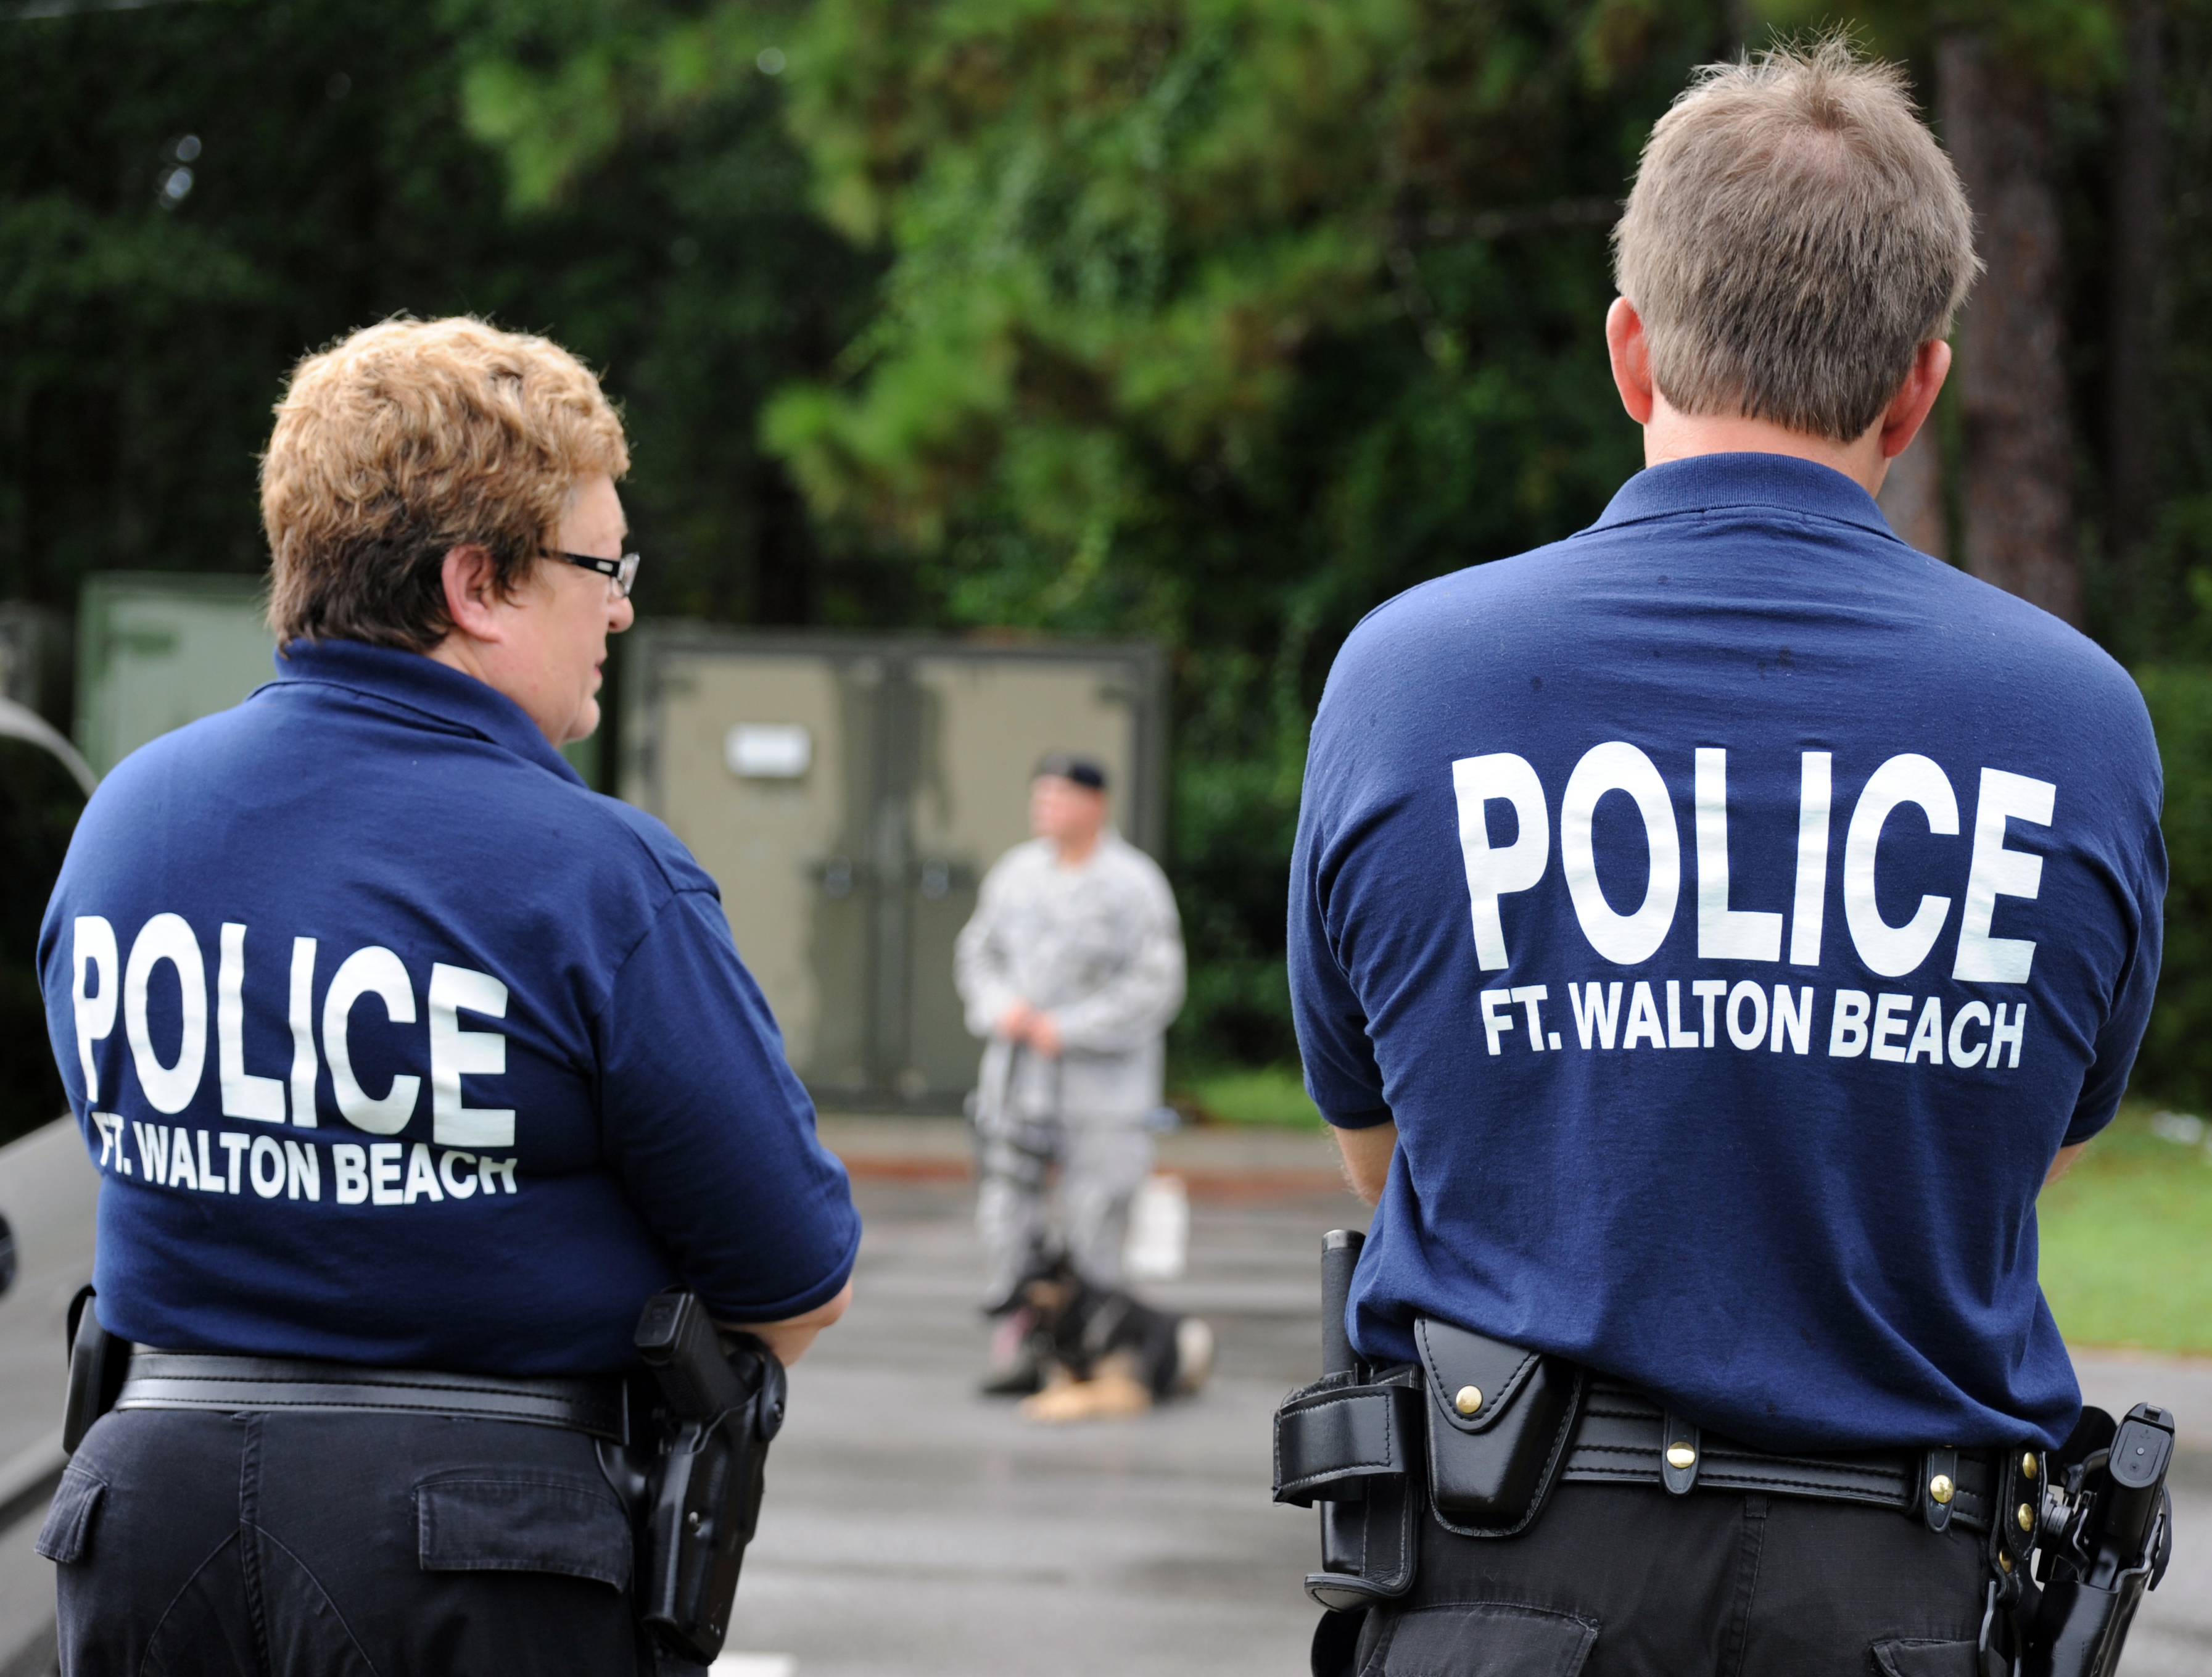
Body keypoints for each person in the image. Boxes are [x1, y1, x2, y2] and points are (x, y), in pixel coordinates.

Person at [1287, 41, 2165, 1677]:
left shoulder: (1411, 676)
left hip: (1506, 1577)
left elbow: (1378, 1139)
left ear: (1630, 351)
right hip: (1903, 1597)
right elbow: (2021, 1154)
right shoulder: (2080, 722)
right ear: (1919, 384)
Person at [35, 317, 860, 1676]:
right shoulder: (595, 873)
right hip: (475, 1557)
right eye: (601, 566)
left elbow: (122, 1133)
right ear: (477, 583)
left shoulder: (130, 824)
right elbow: (795, 1275)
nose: (621, 606)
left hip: (145, 1528)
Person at [954, 753, 1187, 1394]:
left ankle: (1095, 1355)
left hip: (1102, 1091)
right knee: (1008, 1218)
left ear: (1094, 805)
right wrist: (1005, 1010)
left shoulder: (1134, 884)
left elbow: (1155, 985)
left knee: (1097, 1217)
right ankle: (1023, 1353)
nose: (1044, 808)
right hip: (1018, 1084)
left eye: (1058, 797)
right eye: (1040, 797)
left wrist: (1070, 1026)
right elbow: (976, 954)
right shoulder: (1015, 875)